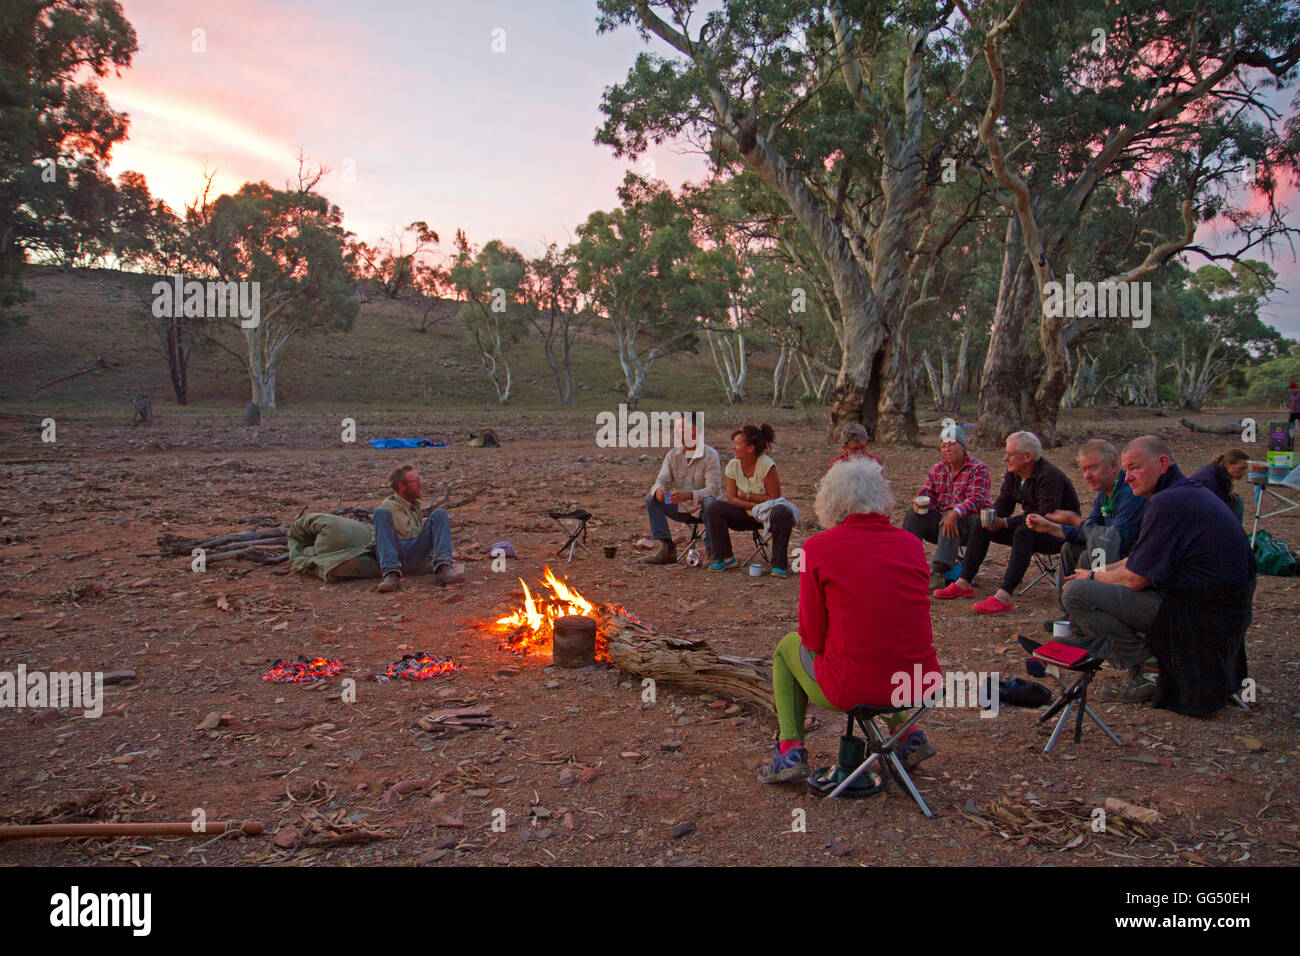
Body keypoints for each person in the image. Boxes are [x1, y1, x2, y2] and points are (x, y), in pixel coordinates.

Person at [758, 459, 940, 786]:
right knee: (883, 650)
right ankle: (906, 731)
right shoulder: (912, 544)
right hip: (918, 683)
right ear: (881, 496)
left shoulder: (818, 549)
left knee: (788, 647)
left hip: (856, 687)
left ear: (829, 501)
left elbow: (811, 638)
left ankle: (790, 750)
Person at [1057, 436, 1256, 705]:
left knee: (1076, 593)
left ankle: (1149, 669)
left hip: (1201, 618)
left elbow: (1137, 579)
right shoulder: (1183, 493)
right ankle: (1145, 662)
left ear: (1162, 463)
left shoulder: (1167, 502)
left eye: (1135, 467)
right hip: (1224, 613)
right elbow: (1139, 559)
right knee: (1086, 577)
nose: (1127, 478)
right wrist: (1097, 572)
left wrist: (1093, 577)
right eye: (1126, 470)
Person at [935, 431, 1079, 613]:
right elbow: (1003, 506)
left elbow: (1045, 516)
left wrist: (1004, 523)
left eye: (1010, 454)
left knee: (1024, 532)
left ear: (1027, 457)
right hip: (1032, 525)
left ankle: (1003, 595)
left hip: (1059, 534)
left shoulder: (1049, 476)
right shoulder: (1015, 474)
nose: (1005, 459)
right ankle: (963, 582)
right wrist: (991, 517)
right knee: (982, 523)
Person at [1023, 439, 1146, 601]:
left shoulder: (1129, 493)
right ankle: (1068, 615)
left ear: (1114, 466)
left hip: (1132, 559)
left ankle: (1094, 603)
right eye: (1084, 469)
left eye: (1093, 468)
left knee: (1091, 554)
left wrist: (1078, 522)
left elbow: (1118, 540)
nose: (1087, 476)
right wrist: (1051, 527)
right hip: (1113, 549)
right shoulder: (1105, 492)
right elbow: (1091, 530)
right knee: (1069, 548)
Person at [902, 421, 992, 591]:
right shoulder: (937, 469)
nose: (947, 449)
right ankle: (908, 565)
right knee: (914, 515)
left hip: (970, 526)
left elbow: (977, 499)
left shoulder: (978, 468)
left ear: (963, 447)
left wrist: (956, 513)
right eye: (943, 446)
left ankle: (938, 571)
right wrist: (921, 501)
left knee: (951, 514)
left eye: (952, 445)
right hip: (943, 525)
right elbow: (928, 491)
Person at [705, 424, 797, 577]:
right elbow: (731, 498)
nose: (733, 448)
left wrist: (746, 496)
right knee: (715, 507)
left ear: (750, 448)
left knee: (782, 512)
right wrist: (754, 505)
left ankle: (779, 565)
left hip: (767, 515)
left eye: (737, 444)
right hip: (745, 515)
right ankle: (726, 558)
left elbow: (774, 498)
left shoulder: (766, 465)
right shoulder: (733, 466)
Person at [643, 412, 722, 564]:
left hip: (705, 510)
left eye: (680, 427)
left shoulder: (710, 455)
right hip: (681, 508)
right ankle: (667, 547)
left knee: (710, 502)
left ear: (693, 430)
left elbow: (714, 489)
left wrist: (689, 494)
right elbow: (661, 480)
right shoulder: (672, 455)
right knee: (651, 498)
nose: (675, 431)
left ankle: (711, 549)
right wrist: (659, 490)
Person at [373, 465, 464, 593]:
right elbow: (409, 533)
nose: (420, 484)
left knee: (440, 514)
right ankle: (391, 575)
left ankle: (443, 568)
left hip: (416, 556)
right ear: (401, 486)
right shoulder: (390, 505)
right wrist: (431, 531)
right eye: (415, 481)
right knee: (379, 513)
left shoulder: (414, 505)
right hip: (399, 554)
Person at [1189, 449, 1249, 522]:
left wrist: (1226, 493)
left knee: (1236, 500)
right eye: (1241, 469)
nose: (1244, 472)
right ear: (1227, 464)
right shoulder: (1209, 481)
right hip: (1195, 512)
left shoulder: (1219, 471)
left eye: (1245, 469)